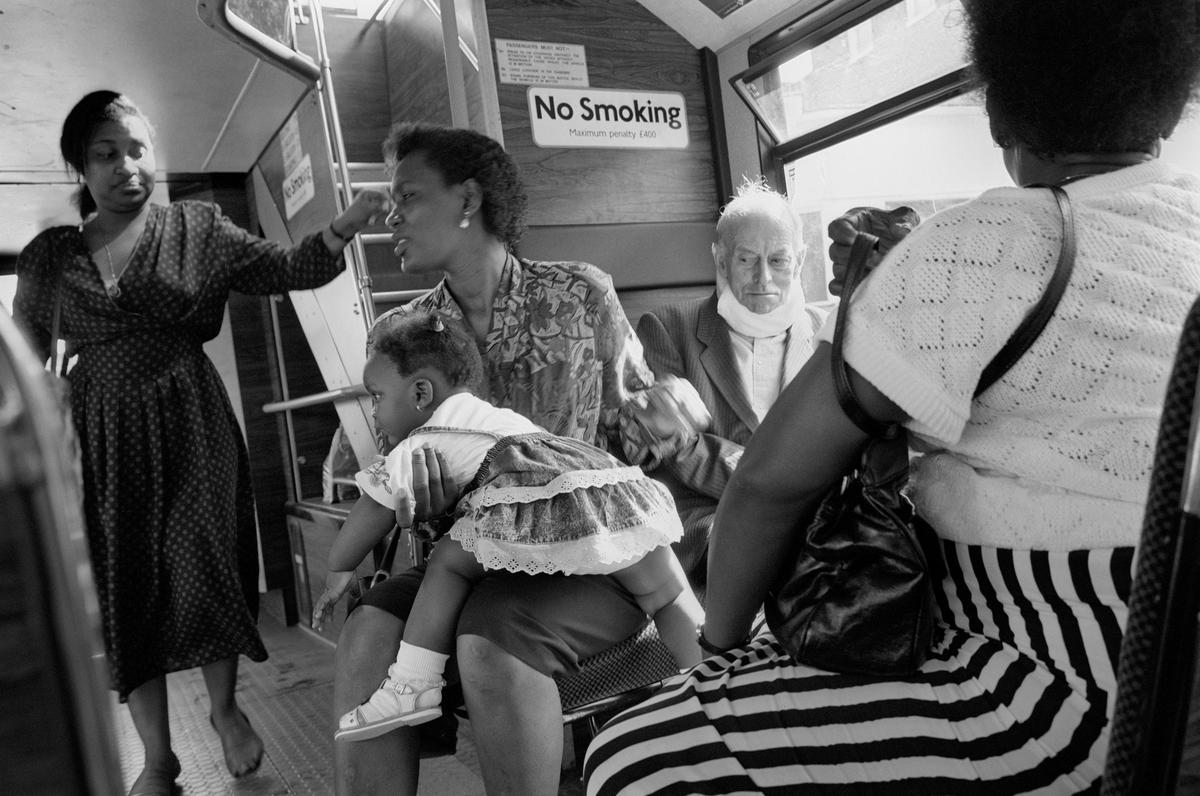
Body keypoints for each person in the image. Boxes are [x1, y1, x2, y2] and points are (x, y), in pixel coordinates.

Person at [584, 0, 1200, 792]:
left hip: (1053, 693)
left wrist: (723, 651)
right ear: (1174, 95)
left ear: (998, 108)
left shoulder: (979, 249)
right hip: (1179, 686)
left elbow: (770, 484)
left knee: (634, 754)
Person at [12, 90, 387, 796]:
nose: (127, 166)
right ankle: (157, 759)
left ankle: (223, 708)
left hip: (191, 420)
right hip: (102, 436)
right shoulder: (51, 256)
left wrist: (343, 226)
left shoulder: (199, 228)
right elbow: (26, 353)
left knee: (205, 561)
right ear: (79, 167)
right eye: (106, 153)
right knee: (125, 587)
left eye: (138, 149)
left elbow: (285, 269)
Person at [332, 121, 700, 795]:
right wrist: (419, 497)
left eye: (408, 196)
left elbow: (637, 428)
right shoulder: (401, 335)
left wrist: (670, 412)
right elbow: (392, 470)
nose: (390, 216)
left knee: (488, 643)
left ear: (468, 199)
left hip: (585, 555)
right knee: (365, 638)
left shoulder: (581, 296)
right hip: (468, 556)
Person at [311, 309, 703, 741]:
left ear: (421, 392)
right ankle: (706, 677)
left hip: (542, 507)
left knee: (449, 563)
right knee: (664, 594)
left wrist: (337, 570)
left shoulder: (424, 439)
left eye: (377, 396)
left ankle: (413, 683)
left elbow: (373, 509)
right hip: (604, 491)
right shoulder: (497, 418)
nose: (373, 410)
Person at [630, 180, 831, 597]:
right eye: (746, 259)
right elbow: (668, 451)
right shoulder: (667, 327)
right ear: (720, 260)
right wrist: (776, 484)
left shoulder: (828, 336)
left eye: (778, 260)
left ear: (800, 261)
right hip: (708, 520)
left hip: (814, 516)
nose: (764, 277)